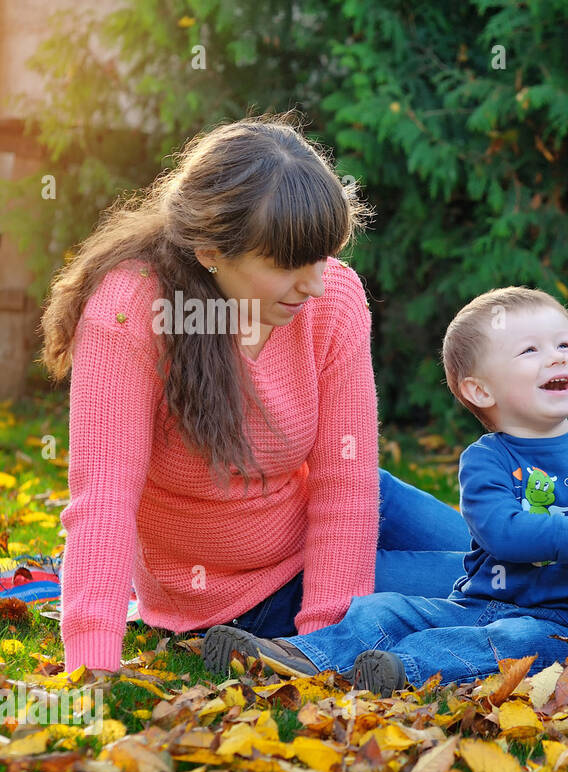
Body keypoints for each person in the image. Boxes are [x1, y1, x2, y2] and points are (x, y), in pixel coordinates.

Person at [41, 114, 471, 676]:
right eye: (288, 264)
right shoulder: (130, 313)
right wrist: (92, 660)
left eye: (322, 255)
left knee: (522, 558)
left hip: (333, 505)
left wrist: (324, 639)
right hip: (240, 587)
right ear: (211, 251)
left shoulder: (332, 297)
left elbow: (345, 481)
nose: (315, 284)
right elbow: (104, 499)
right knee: (512, 586)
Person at [200, 286, 568, 695]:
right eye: (531, 350)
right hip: (475, 601)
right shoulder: (483, 463)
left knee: (512, 642)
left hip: (566, 622)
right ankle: (296, 656)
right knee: (387, 608)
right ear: (480, 390)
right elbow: (510, 536)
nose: (557, 358)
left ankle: (398, 670)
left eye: (565, 345)